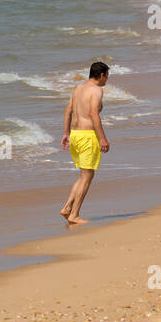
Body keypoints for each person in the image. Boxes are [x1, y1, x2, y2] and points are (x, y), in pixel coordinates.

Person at [60, 62, 110, 225]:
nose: (107, 80)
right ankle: (74, 214)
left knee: (84, 175)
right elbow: (93, 113)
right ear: (102, 75)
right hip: (88, 136)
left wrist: (66, 133)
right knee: (87, 176)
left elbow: (68, 110)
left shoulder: (78, 88)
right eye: (107, 76)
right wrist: (102, 138)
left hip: (75, 135)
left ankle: (67, 208)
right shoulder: (96, 90)